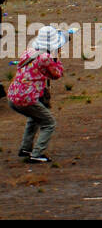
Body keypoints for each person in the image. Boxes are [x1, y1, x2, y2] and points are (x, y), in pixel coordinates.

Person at [8, 25, 65, 162]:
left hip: (13, 96)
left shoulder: (28, 52)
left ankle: (26, 148)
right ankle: (37, 154)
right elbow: (57, 74)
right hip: (27, 98)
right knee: (49, 123)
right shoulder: (45, 57)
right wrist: (56, 58)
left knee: (34, 118)